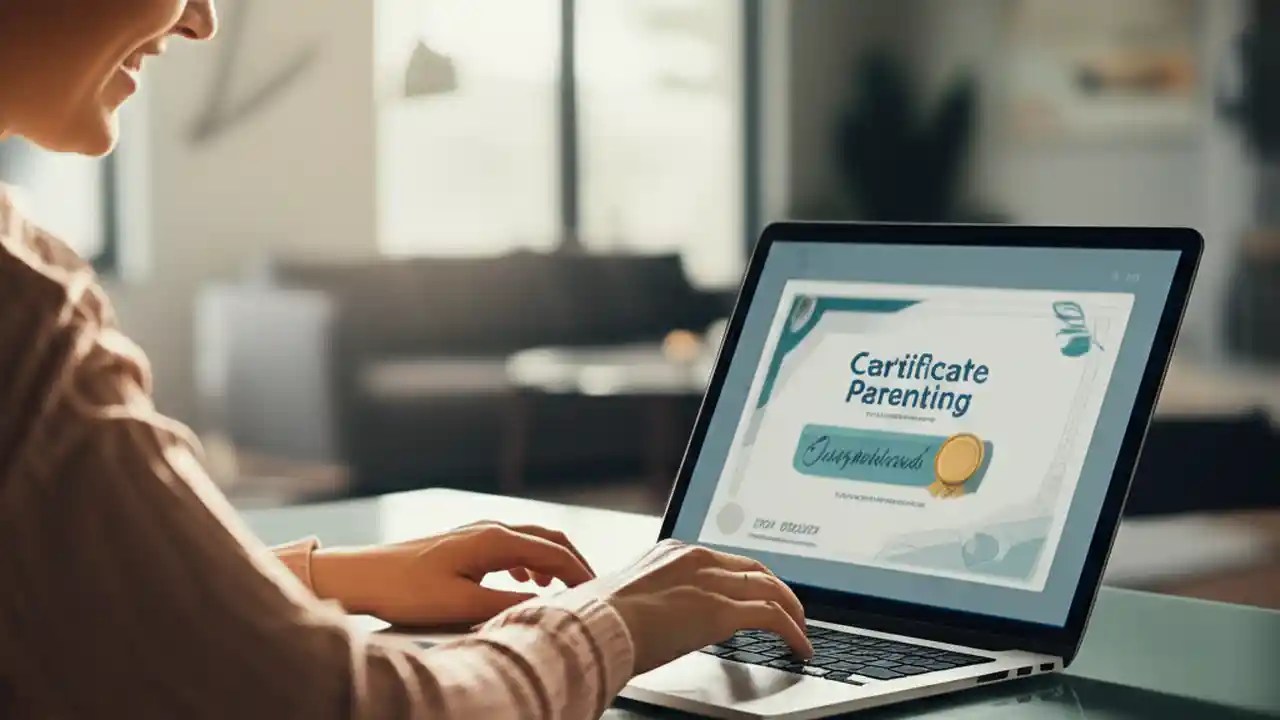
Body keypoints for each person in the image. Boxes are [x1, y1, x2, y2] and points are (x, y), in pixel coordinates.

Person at [0, 1, 813, 718]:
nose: (200, 19)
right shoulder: (23, 310)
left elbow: (65, 587)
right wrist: (611, 620)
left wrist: (327, 579)